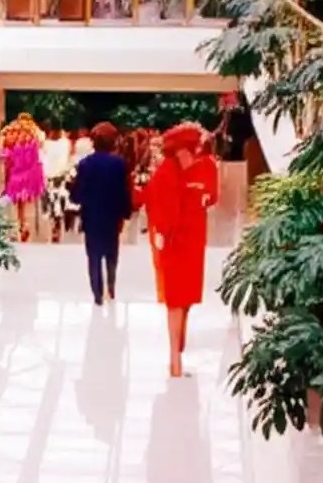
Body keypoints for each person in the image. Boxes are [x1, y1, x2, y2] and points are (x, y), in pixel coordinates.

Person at [143, 123, 217, 378]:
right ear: (180, 151)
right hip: (174, 244)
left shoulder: (204, 166)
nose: (195, 154)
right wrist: (162, 235)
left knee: (186, 298)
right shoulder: (165, 174)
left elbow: (212, 195)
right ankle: (175, 359)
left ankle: (179, 349)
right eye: (191, 149)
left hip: (194, 243)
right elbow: (156, 208)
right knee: (175, 299)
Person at [70, 123, 131, 305]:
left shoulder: (85, 164)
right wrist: (125, 212)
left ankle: (97, 293)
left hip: (92, 217)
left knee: (93, 256)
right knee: (112, 253)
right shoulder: (120, 164)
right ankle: (111, 287)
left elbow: (77, 194)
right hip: (112, 217)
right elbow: (124, 191)